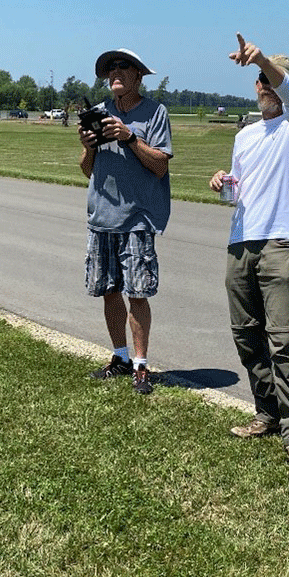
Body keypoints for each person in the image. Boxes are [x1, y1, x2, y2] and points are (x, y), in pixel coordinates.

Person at [209, 35, 289, 473]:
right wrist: (223, 182)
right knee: (246, 333)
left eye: (274, 79)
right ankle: (267, 412)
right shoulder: (245, 135)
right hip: (242, 239)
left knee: (284, 339)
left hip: (282, 240)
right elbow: (237, 193)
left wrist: (264, 60)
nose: (267, 86)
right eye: (261, 79)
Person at [79, 48, 172, 394]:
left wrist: (129, 137)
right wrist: (89, 146)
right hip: (102, 216)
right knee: (109, 291)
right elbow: (88, 170)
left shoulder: (155, 113)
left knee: (138, 293)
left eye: (123, 67)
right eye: (110, 68)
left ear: (138, 76)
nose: (115, 72)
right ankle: (119, 357)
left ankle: (141, 365)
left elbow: (161, 164)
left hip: (137, 218)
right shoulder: (100, 112)